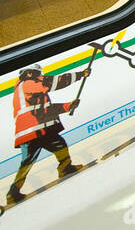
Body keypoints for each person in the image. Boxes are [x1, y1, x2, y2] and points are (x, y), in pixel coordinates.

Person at [6, 63, 84, 205]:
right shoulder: (27, 84)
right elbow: (55, 82)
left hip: (33, 130)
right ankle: (65, 168)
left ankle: (13, 192)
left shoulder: (28, 89)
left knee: (31, 159)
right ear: (29, 74)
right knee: (55, 147)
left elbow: (45, 110)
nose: (40, 77)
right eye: (38, 74)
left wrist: (68, 106)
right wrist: (80, 75)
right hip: (35, 129)